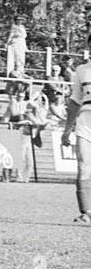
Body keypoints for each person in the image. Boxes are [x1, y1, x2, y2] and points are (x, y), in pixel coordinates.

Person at [61, 43, 91, 225]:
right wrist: (67, 130)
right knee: (82, 165)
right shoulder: (82, 70)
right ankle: (86, 212)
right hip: (86, 120)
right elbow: (75, 101)